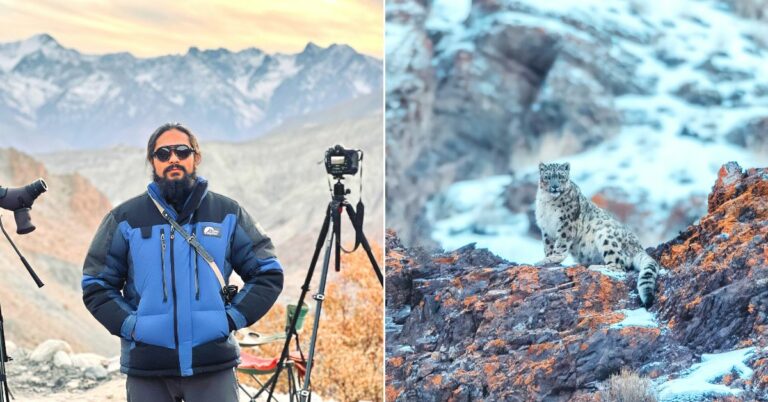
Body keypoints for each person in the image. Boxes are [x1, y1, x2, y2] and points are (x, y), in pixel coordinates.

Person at [82, 122, 283, 402]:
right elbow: (96, 284)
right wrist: (132, 326)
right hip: (148, 369)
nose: (173, 158)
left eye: (182, 151)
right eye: (163, 153)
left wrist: (229, 319)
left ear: (195, 157)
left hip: (213, 363)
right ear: (152, 161)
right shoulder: (124, 219)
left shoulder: (227, 213)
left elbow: (268, 273)